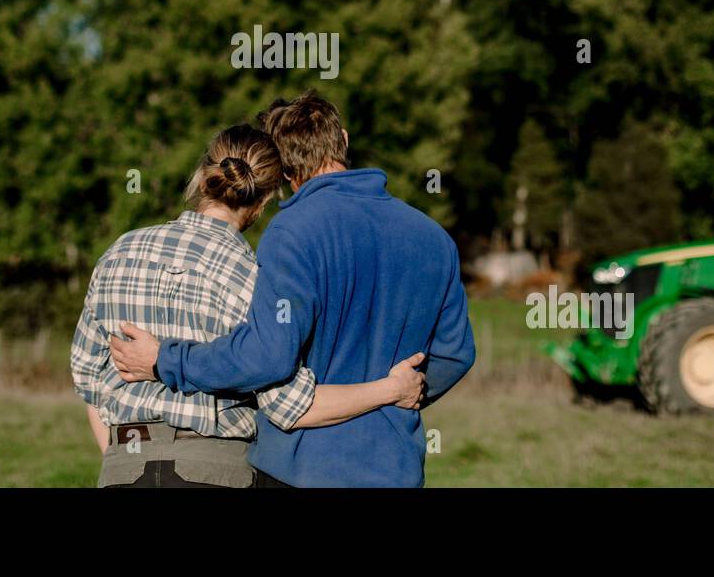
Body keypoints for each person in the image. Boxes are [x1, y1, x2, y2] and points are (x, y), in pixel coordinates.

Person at [111, 92, 475, 487]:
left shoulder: (292, 232)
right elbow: (456, 354)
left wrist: (166, 360)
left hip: (301, 468)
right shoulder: (433, 238)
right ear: (345, 141)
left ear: (282, 170)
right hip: (396, 468)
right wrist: (404, 393)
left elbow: (269, 357)